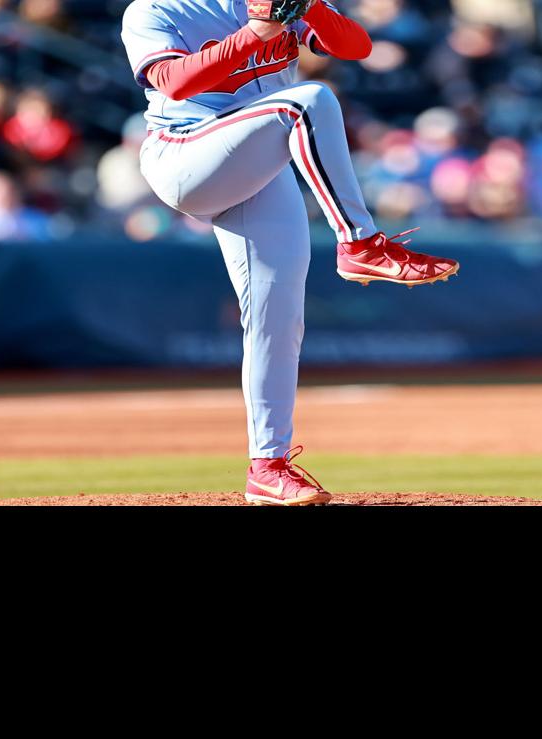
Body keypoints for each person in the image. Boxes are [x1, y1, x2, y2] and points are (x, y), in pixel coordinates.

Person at [120, 0, 461, 505]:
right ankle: (360, 242)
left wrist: (310, 7)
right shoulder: (154, 8)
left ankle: (268, 466)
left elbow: (356, 47)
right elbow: (172, 81)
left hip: (259, 157)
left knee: (277, 317)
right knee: (306, 101)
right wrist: (259, 31)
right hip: (186, 153)